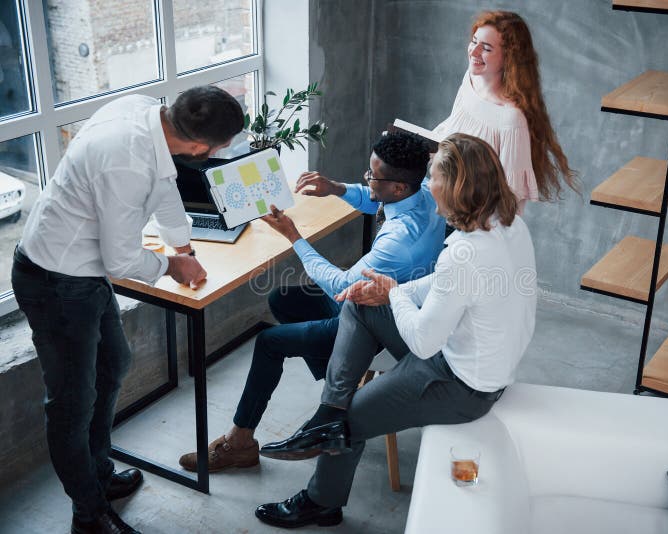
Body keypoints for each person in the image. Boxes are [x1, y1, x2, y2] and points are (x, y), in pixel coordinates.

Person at [256, 133, 538, 528]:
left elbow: (423, 343)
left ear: (456, 187)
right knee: (358, 303)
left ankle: (321, 499)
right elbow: (438, 284)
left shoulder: (465, 252)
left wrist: (392, 294)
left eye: (434, 178)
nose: (429, 186)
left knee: (347, 424)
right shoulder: (505, 226)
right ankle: (327, 411)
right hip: (470, 357)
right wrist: (390, 292)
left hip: (460, 384)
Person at [11, 86, 244, 534]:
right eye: (222, 146)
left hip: (82, 272)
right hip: (55, 279)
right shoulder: (126, 160)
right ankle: (88, 513)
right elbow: (121, 263)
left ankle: (98, 476)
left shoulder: (148, 114)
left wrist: (184, 244)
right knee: (70, 405)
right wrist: (172, 264)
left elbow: (164, 186)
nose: (223, 150)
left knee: (113, 365)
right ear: (199, 148)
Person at [177, 132, 445, 473]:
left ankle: (240, 442)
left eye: (372, 175)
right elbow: (375, 199)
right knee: (283, 299)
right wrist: (336, 188)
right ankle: (341, 388)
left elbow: (338, 285)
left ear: (398, 187)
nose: (367, 178)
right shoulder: (422, 193)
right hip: (382, 300)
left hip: (374, 321)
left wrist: (293, 237)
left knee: (269, 342)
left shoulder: (398, 241)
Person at [433, 10, 578, 212]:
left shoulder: (511, 119)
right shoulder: (471, 79)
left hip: (470, 220)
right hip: (441, 201)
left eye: (486, 48)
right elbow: (453, 127)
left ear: (509, 57)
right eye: (474, 42)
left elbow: (511, 200)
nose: (474, 52)